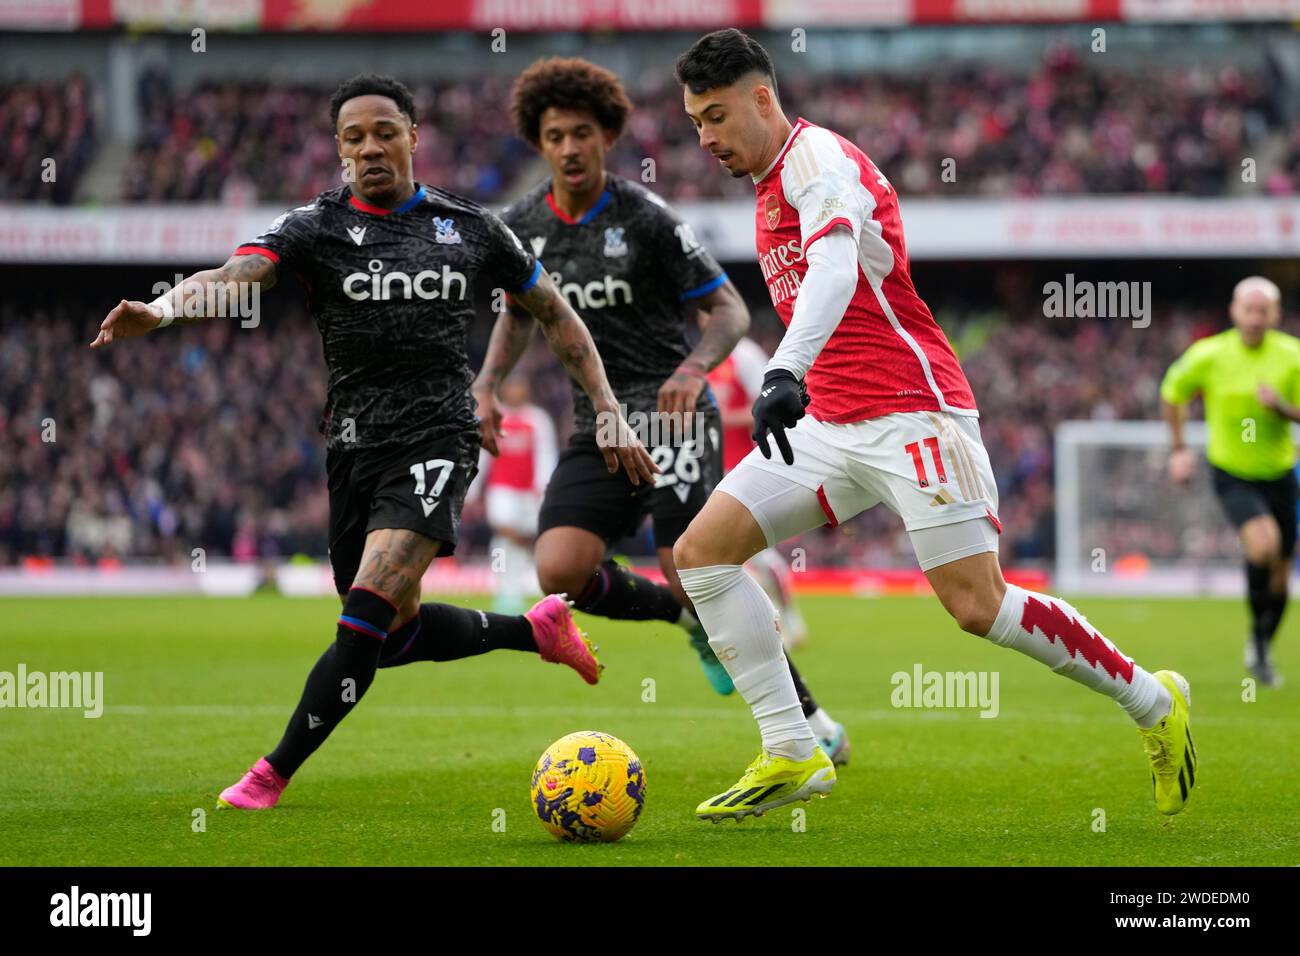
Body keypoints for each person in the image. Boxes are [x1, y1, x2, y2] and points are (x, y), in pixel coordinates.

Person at [91, 73, 655, 810]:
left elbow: (555, 313)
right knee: (393, 634)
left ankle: (271, 773)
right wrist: (162, 311)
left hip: (439, 439)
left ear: (414, 136)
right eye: (353, 138)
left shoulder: (470, 227)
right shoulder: (314, 227)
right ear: (338, 150)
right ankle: (536, 630)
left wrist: (606, 407)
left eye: (384, 131)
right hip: (353, 446)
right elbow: (238, 277)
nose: (370, 148)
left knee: (362, 619)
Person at [670, 30, 1194, 821]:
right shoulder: (768, 176)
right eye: (693, 123)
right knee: (701, 556)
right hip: (829, 422)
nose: (704, 138)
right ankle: (793, 750)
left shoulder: (819, 164)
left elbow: (838, 267)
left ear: (763, 99)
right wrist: (804, 380)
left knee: (977, 606)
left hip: (914, 412)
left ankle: (1156, 702)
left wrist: (784, 369)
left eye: (715, 117)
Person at [473, 57, 848, 762]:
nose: (570, 148)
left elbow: (728, 309)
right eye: (555, 136)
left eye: (583, 133)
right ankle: (687, 621)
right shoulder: (521, 225)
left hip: (671, 414)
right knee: (559, 570)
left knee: (696, 569)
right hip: (599, 423)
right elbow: (519, 316)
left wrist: (693, 368)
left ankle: (811, 722)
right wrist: (487, 384)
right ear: (539, 142)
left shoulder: (645, 217)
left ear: (606, 136)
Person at [1163, 276, 1297, 687]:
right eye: (1248, 309)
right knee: (1264, 544)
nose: (1255, 318)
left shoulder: (1291, 356)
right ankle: (1258, 643)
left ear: (1275, 314)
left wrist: (1282, 409)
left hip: (1279, 474)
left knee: (1280, 575)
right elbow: (1173, 393)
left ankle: (1260, 643)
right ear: (1234, 311)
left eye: (1263, 310)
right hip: (1232, 472)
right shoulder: (1210, 354)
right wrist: (1180, 449)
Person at [708, 335, 809, 651]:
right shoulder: (706, 358)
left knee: (756, 554)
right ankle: (766, 624)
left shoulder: (745, 355)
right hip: (714, 469)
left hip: (746, 467)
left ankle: (788, 621)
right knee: (731, 554)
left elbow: (766, 407)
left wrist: (721, 418)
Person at [471, 377, 557, 613]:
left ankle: (521, 589)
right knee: (504, 533)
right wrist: (473, 491)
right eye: (511, 386)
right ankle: (505, 592)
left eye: (520, 386)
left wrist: (545, 486)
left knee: (525, 540)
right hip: (502, 488)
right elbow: (484, 455)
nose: (515, 391)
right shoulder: (496, 418)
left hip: (529, 492)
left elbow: (546, 454)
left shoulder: (537, 420)